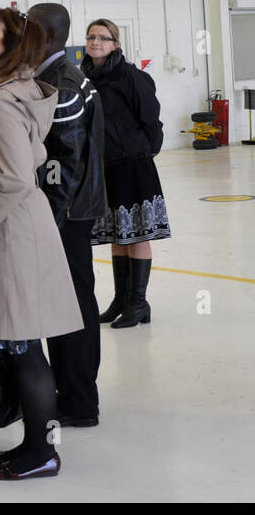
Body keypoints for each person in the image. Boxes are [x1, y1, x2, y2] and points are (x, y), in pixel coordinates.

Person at [0, 8, 83, 480]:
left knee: (23, 345)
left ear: (10, 48)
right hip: (9, 231)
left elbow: (12, 180)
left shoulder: (3, 102)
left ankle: (42, 452)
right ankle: (31, 443)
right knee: (17, 342)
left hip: (7, 233)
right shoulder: (0, 92)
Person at [29, 3, 107, 428]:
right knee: (70, 304)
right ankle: (73, 393)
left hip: (69, 214)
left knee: (73, 308)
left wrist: (50, 217)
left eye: (28, 30)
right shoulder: (58, 76)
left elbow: (64, 160)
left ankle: (79, 401)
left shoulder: (62, 83)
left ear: (47, 35)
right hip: (72, 209)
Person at [81, 19, 168, 329]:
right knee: (119, 234)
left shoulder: (132, 77)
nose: (95, 42)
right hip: (106, 167)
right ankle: (121, 299)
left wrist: (142, 151)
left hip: (134, 166)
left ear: (116, 44)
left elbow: (152, 122)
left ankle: (138, 301)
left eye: (103, 38)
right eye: (91, 37)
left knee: (138, 234)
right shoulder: (85, 79)